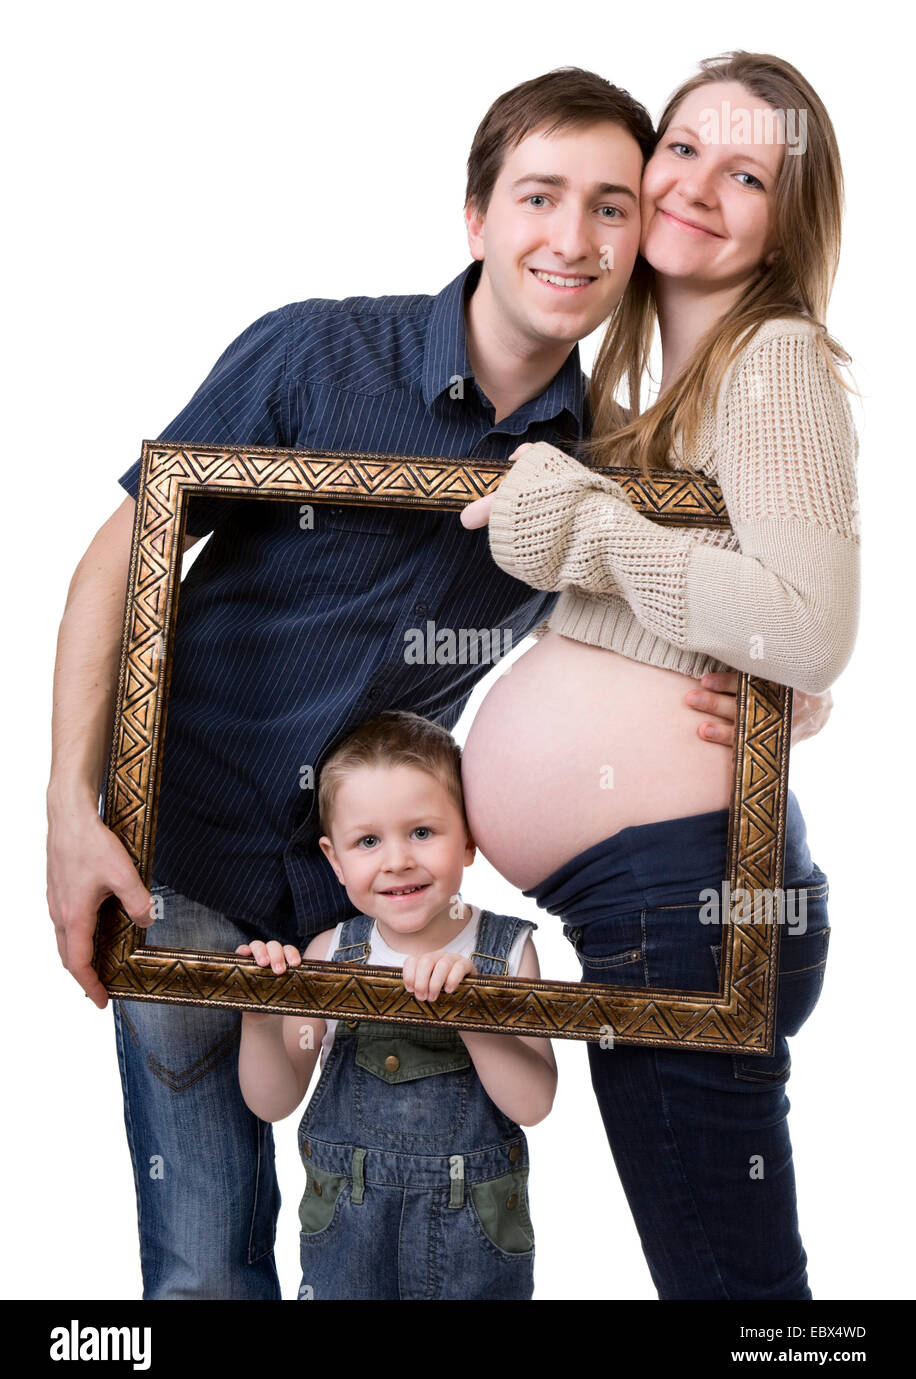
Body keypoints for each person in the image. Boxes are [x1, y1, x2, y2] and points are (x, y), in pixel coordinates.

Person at [46, 65, 828, 1300]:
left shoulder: (604, 461)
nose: (571, 237)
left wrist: (789, 693)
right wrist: (66, 812)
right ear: (476, 216)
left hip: (376, 903)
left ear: (638, 239)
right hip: (178, 860)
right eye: (539, 196)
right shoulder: (315, 352)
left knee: (395, 1234)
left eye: (612, 206)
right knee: (202, 1267)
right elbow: (124, 552)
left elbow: (738, 602)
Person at [459, 51, 860, 1300]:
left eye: (746, 174)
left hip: (690, 906)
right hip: (664, 901)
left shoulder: (773, 359)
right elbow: (760, 604)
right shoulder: (656, 391)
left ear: (786, 222)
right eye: (681, 148)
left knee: (736, 1303)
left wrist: (587, 525)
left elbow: (808, 625)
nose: (695, 183)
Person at [234, 710, 554, 1300]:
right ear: (335, 860)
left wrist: (473, 1014)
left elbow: (533, 1105)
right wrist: (260, 1018)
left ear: (469, 839)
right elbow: (273, 1102)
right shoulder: (329, 953)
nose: (398, 859)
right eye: (368, 841)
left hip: (473, 1247)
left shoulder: (508, 950)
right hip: (349, 1246)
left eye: (423, 832)